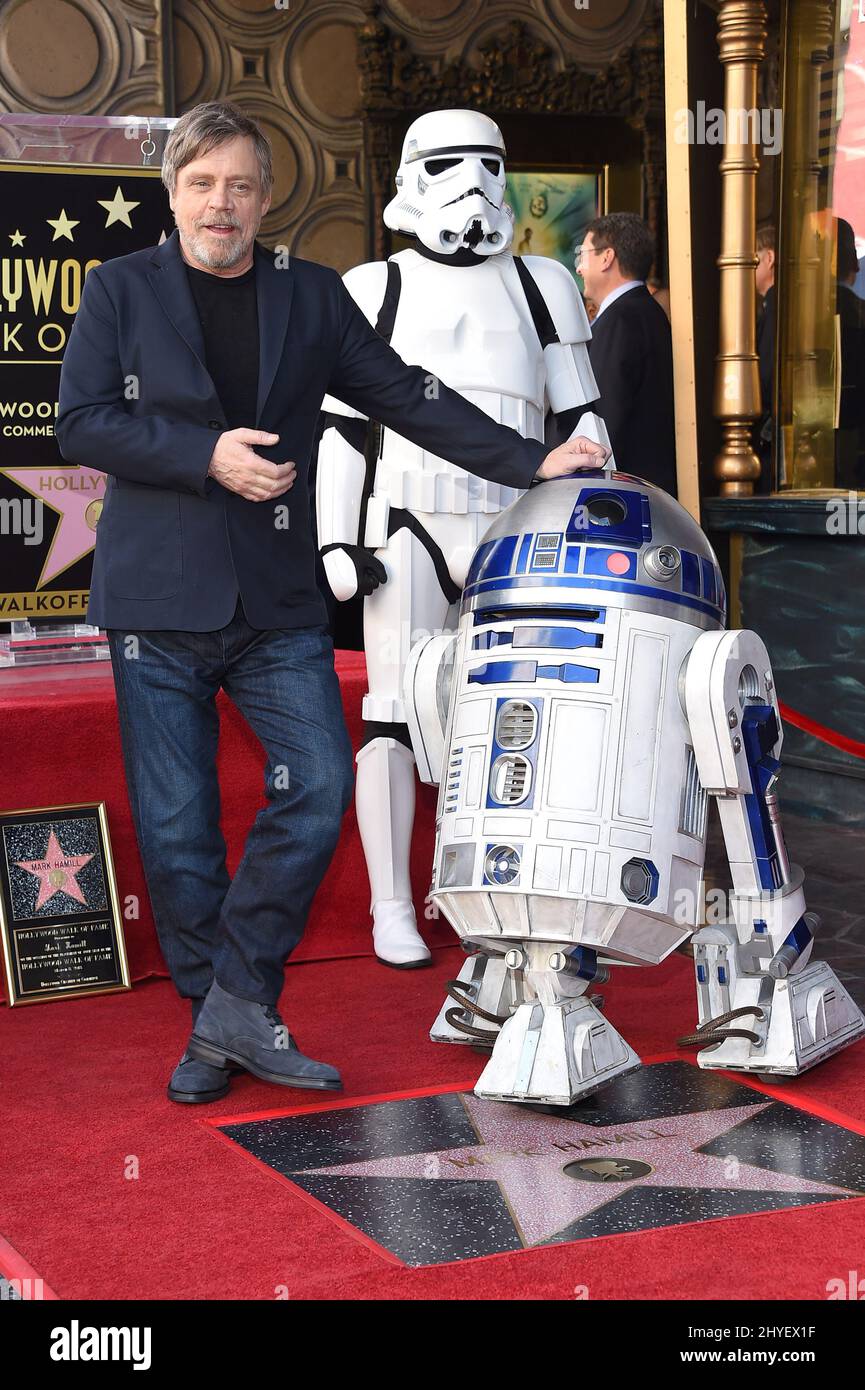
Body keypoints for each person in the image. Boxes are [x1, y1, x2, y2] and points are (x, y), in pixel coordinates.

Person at [55, 100, 608, 1106]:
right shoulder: (118, 290)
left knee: (314, 790)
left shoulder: (310, 296)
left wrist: (532, 458)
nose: (220, 203)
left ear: (268, 199)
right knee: (177, 833)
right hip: (159, 602)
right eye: (201, 183)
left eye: (240, 185)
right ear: (172, 192)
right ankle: (220, 1012)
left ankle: (235, 1001)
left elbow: (407, 394)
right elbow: (80, 423)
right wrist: (202, 457)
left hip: (276, 602)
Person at [576, 212, 677, 494]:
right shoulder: (644, 311)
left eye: (582, 256)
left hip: (625, 491)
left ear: (606, 257)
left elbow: (605, 417)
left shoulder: (621, 319)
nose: (579, 269)